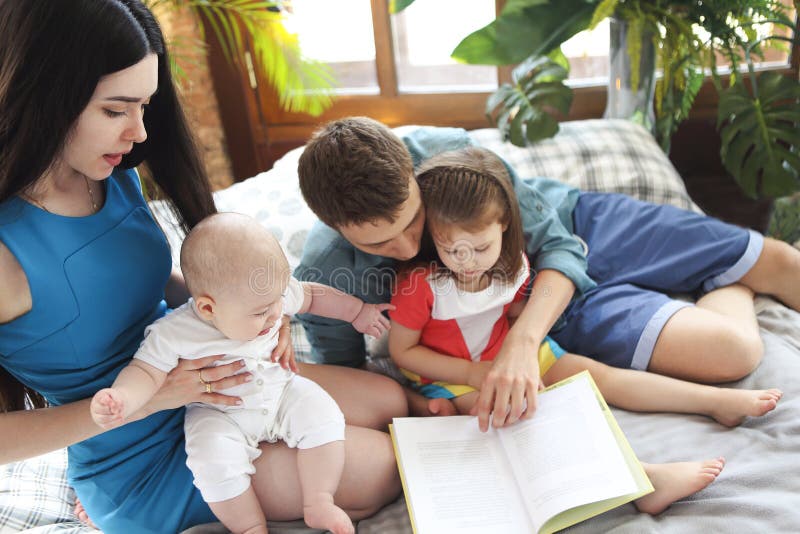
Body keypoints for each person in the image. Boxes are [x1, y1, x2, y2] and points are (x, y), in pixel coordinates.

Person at [0, 3, 404, 533]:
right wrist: (154, 398)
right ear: (45, 94)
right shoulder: (8, 250)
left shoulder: (110, 174)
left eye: (144, 106)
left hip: (215, 372)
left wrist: (254, 310)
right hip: (139, 454)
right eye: (116, 110)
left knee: (390, 401)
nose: (140, 133)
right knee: (382, 469)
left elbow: (137, 290)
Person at [295, 116, 800, 433]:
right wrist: (424, 401)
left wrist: (523, 343)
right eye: (379, 245)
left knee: (779, 262)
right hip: (542, 306)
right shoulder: (327, 276)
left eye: (413, 222)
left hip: (577, 226)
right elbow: (352, 378)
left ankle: (714, 273)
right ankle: (726, 283)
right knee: (735, 353)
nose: (407, 248)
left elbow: (558, 245)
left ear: (412, 171)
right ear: (333, 225)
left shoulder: (450, 154)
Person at [387, 146, 783, 513]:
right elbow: (402, 353)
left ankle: (713, 401)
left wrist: (522, 348)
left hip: (506, 352)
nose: (468, 262)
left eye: (480, 248)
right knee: (517, 417)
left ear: (504, 225)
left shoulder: (513, 265)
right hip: (451, 377)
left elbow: (513, 309)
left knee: (602, 377)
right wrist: (472, 373)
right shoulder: (421, 286)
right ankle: (643, 478)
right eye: (451, 249)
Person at [91, 213, 393, 534]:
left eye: (278, 300)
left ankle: (319, 501)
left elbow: (311, 295)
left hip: (281, 391)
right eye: (261, 312)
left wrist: (357, 312)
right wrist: (123, 396)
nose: (276, 314)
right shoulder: (174, 333)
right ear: (209, 309)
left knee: (323, 414)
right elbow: (144, 371)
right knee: (211, 462)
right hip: (221, 414)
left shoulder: (268, 295)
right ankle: (250, 527)